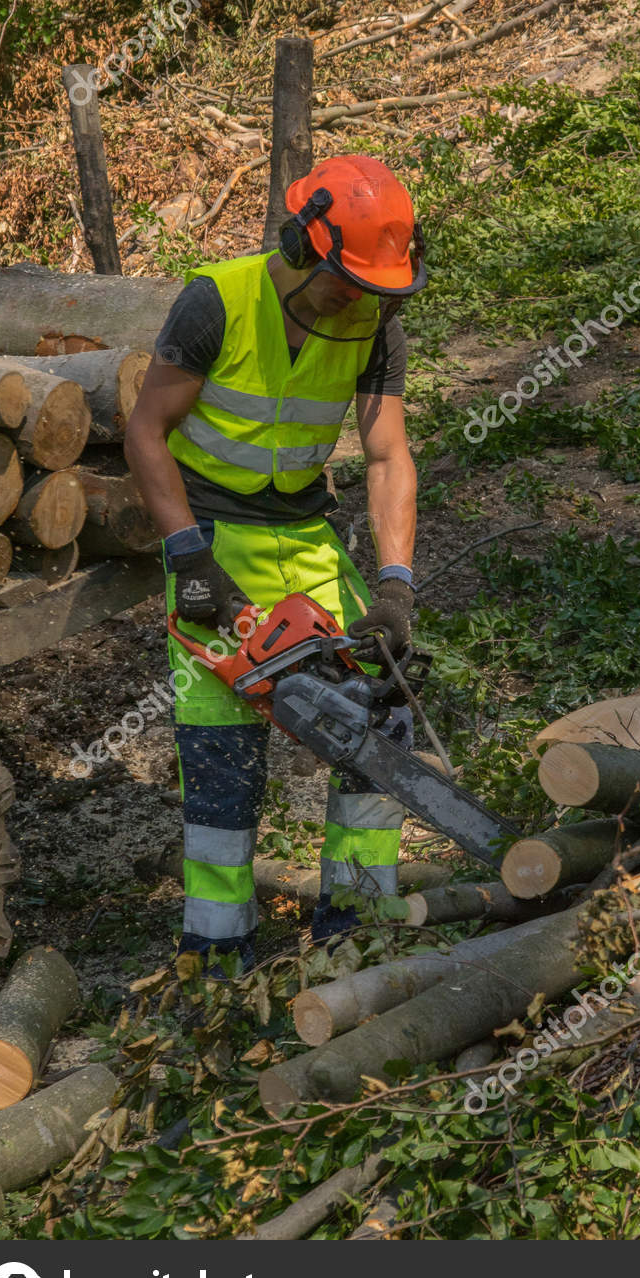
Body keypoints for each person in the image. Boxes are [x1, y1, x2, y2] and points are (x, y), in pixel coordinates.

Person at [124, 153, 427, 967]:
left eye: (372, 287)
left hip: (306, 532)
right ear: (299, 245)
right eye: (344, 280)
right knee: (221, 746)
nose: (355, 300)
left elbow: (388, 455)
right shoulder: (214, 301)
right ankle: (219, 950)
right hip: (213, 529)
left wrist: (394, 586)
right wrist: (187, 554)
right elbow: (146, 431)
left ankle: (357, 924)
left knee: (384, 708)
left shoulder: (375, 322)